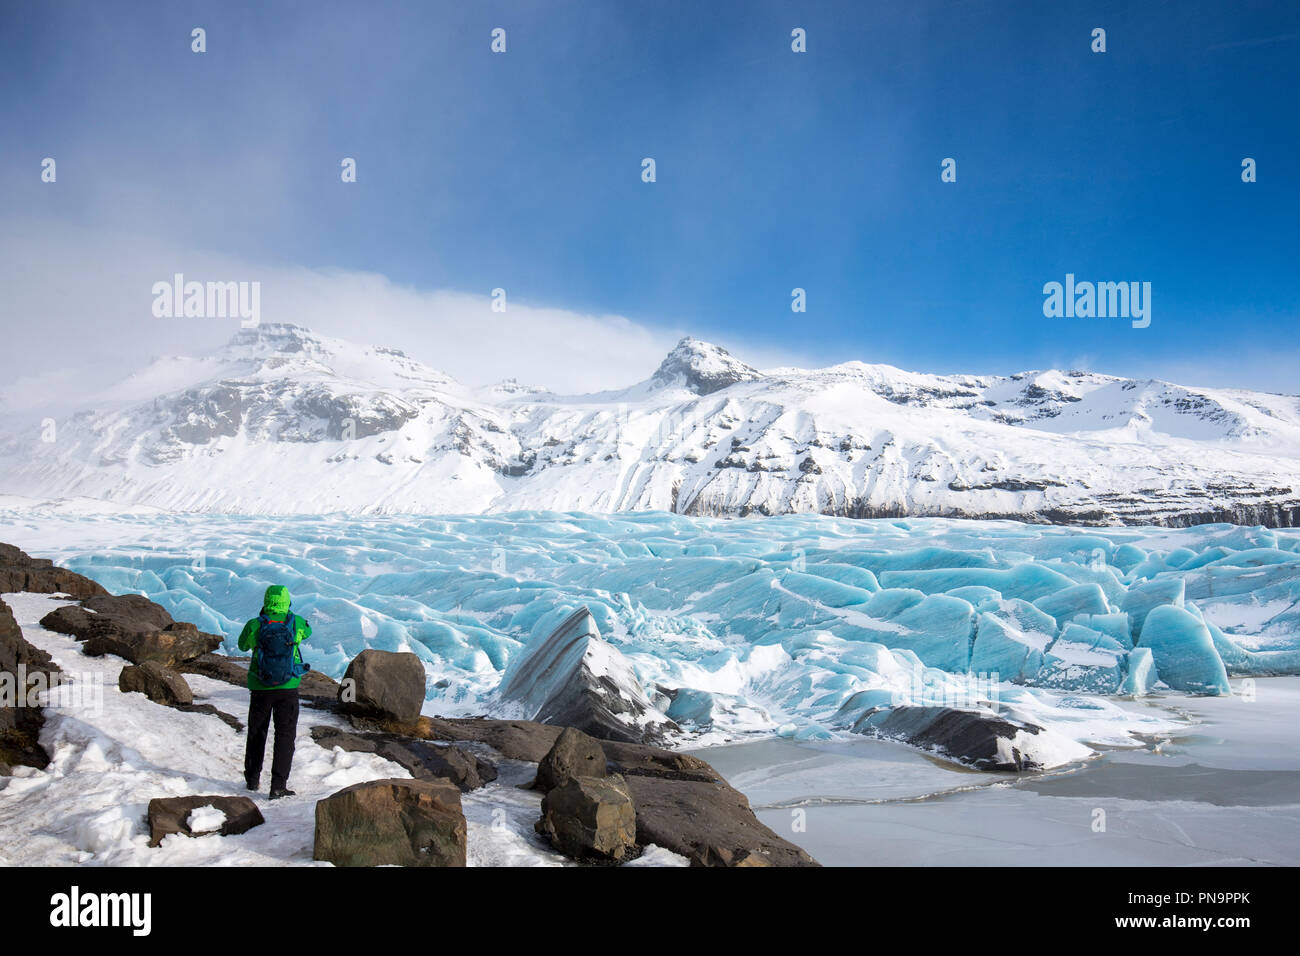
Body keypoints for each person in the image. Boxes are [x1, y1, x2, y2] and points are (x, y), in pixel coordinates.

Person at [238, 584, 312, 799]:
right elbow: (307, 632)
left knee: (257, 732)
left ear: (265, 601)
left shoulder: (255, 625)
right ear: (287, 601)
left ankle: (252, 779)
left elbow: (242, 645)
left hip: (260, 687)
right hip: (288, 687)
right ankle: (278, 786)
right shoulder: (295, 622)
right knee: (285, 736)